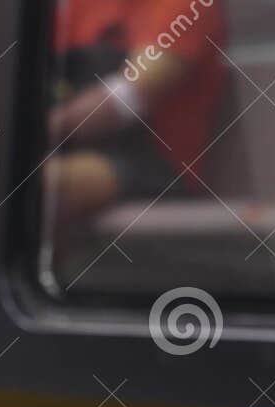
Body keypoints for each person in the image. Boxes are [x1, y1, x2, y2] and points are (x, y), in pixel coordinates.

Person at [45, 0, 229, 233]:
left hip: (154, 164)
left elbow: (127, 98)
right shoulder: (76, 7)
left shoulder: (188, 5)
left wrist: (33, 132)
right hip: (72, 145)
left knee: (42, 184)